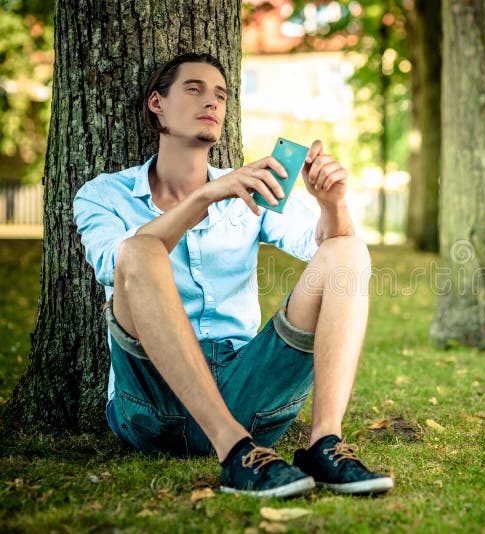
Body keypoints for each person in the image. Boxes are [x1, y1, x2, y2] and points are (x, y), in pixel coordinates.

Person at [73, 52, 393, 498]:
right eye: (194, 89)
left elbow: (330, 251)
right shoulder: (103, 194)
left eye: (221, 95)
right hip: (151, 402)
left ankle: (325, 443)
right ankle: (234, 452)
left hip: (247, 391)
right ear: (157, 103)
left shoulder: (249, 188)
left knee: (349, 249)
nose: (212, 102)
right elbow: (115, 265)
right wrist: (206, 196)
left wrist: (332, 204)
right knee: (140, 250)